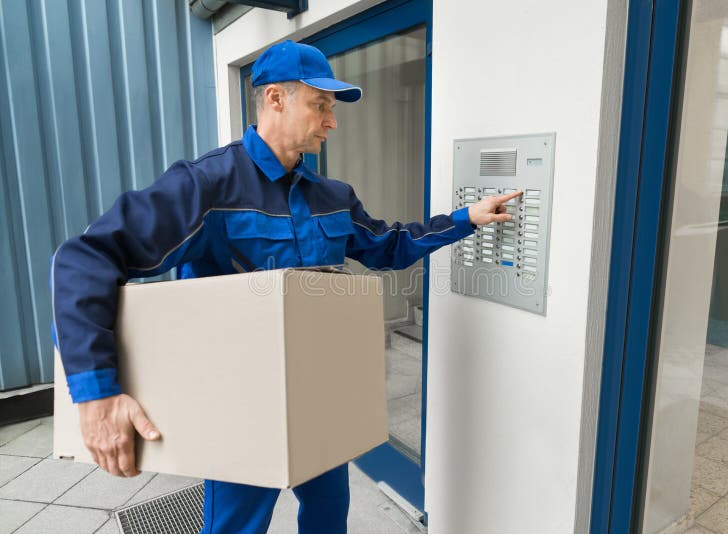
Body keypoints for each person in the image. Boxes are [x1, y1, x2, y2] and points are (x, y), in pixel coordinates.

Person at [51, 40, 520, 533]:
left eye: (332, 109)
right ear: (275, 98)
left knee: (329, 516)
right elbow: (83, 260)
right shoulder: (206, 186)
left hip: (318, 396)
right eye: (320, 105)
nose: (332, 122)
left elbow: (390, 245)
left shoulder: (333, 197)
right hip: (240, 408)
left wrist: (466, 219)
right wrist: (97, 394)